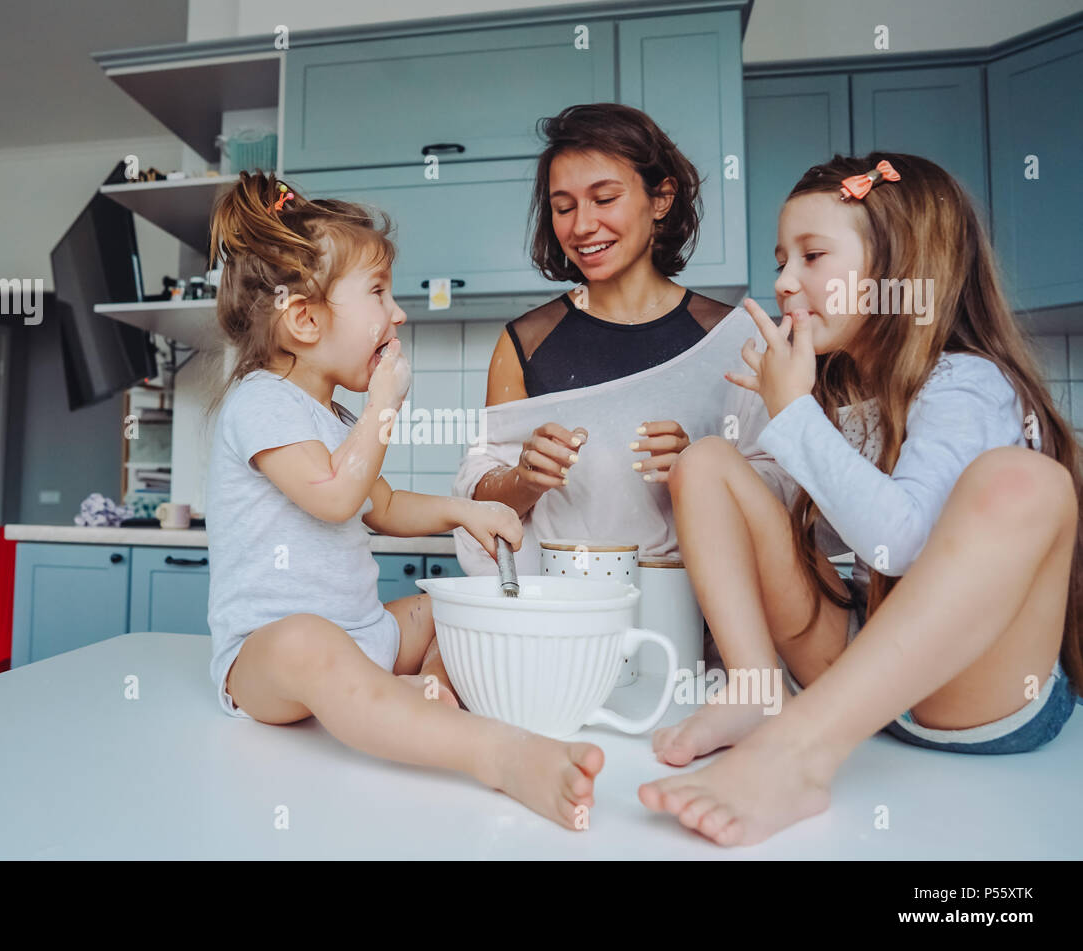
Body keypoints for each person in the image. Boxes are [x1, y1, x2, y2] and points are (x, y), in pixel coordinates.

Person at [640, 153, 1082, 846]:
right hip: (864, 676)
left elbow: (898, 543)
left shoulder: (966, 383)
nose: (785, 281)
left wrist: (792, 418)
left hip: (973, 694)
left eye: (813, 256)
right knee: (706, 462)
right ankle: (759, 693)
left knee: (1026, 482)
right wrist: (782, 422)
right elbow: (793, 536)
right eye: (782, 259)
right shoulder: (831, 392)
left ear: (899, 274)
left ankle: (798, 752)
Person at [203, 171, 605, 830]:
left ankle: (428, 700)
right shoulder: (259, 403)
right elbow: (337, 496)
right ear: (304, 319)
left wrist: (463, 510)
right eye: (379, 294)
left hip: (361, 636)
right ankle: (493, 754)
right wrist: (384, 406)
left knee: (446, 609)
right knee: (309, 641)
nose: (397, 314)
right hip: (268, 659)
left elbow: (379, 502)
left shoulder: (332, 414)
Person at [455, 103, 792, 576]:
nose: (582, 226)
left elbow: (788, 490)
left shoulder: (737, 339)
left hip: (698, 617)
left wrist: (702, 469)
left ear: (661, 199)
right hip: (563, 617)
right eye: (563, 207)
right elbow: (478, 497)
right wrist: (523, 478)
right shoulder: (523, 345)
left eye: (604, 198)